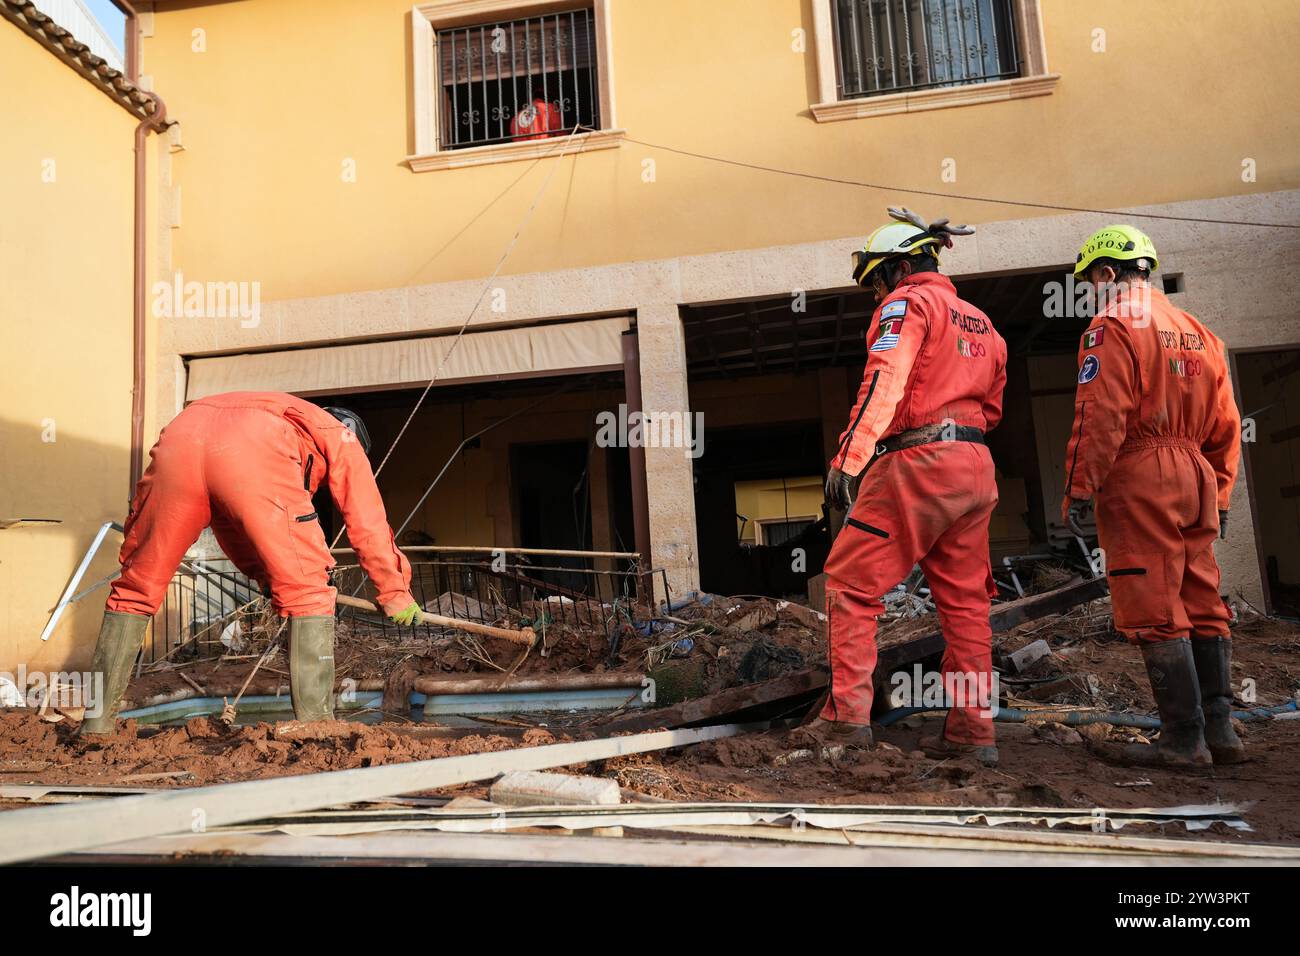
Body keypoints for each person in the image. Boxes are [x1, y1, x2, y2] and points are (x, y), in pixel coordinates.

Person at [80, 391, 419, 734]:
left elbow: (230, 523)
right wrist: (395, 592)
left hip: (182, 435)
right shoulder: (340, 435)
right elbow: (366, 519)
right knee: (309, 594)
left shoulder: (290, 414)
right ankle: (317, 729)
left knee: (136, 588)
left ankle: (95, 725)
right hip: (255, 447)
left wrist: (267, 577)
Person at [807, 208, 1007, 766]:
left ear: (898, 269)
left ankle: (846, 720)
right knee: (967, 606)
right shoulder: (983, 323)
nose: (875, 295)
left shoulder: (908, 303)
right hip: (974, 464)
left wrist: (850, 456)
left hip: (917, 462)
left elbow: (885, 378)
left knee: (849, 582)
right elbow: (992, 407)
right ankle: (973, 732)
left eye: (876, 281)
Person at [1062, 225, 1244, 767]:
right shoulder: (1199, 331)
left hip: (1141, 473)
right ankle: (1222, 732)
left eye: (1094, 280)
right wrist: (1222, 495)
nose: (1095, 291)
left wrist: (1079, 486)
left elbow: (1101, 415)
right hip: (1197, 474)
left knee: (1153, 602)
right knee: (1203, 600)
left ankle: (1182, 740)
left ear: (1109, 273)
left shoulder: (1112, 325)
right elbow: (1227, 424)